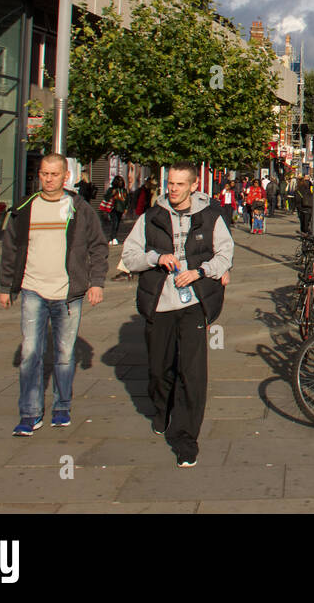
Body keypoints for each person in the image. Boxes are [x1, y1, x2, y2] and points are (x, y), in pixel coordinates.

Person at [122, 161, 232, 467]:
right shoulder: (152, 217)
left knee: (192, 373)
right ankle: (162, 408)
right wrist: (156, 258)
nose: (172, 189)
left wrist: (200, 272)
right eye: (170, 183)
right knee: (159, 370)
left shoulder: (210, 216)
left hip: (194, 302)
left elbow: (225, 254)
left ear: (194, 186)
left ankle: (186, 440)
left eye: (179, 184)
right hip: (160, 303)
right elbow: (129, 257)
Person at [0, 152, 107, 436]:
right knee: (30, 353)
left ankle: (62, 406)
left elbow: (98, 246)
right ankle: (29, 414)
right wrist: (6, 286)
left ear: (65, 176)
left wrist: (96, 282)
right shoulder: (26, 207)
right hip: (32, 289)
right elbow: (11, 249)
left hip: (68, 293)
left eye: (54, 174)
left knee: (63, 354)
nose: (48, 179)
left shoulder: (79, 208)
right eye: (44, 174)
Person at [103, 177, 127, 244]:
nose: (120, 183)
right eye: (119, 181)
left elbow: (126, 200)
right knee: (115, 222)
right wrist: (111, 194)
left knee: (117, 223)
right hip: (112, 208)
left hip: (120, 209)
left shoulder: (123, 190)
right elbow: (106, 197)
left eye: (121, 181)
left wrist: (126, 208)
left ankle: (113, 237)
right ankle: (113, 237)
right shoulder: (111, 190)